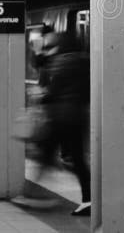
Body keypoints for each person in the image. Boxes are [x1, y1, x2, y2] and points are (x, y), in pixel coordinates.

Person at [31, 31, 91, 216]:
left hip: (60, 118)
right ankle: (88, 200)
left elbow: (53, 92)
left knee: (46, 155)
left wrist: (42, 97)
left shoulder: (62, 62)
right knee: (78, 160)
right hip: (78, 116)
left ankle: (34, 196)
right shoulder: (86, 62)